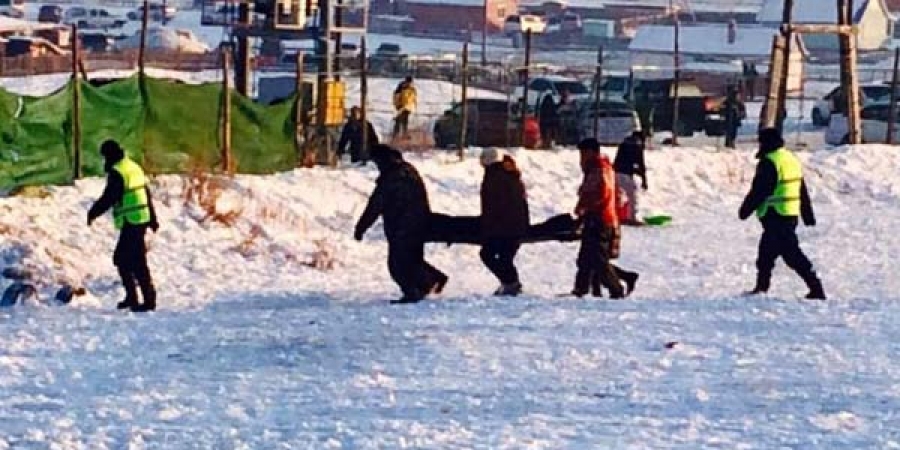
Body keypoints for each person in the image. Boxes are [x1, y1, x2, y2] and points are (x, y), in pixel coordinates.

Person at [739, 128, 826, 300]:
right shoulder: (789, 159)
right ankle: (761, 288)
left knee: (792, 255)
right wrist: (807, 214)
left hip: (775, 215)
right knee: (767, 253)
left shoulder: (770, 162)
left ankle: (816, 289)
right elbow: (801, 188)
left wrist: (745, 210)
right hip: (789, 213)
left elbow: (760, 190)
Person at [354, 144, 448, 303]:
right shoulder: (408, 170)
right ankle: (431, 281)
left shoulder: (391, 177)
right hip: (419, 222)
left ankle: (416, 289)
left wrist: (361, 227)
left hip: (401, 227)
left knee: (397, 264)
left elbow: (376, 205)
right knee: (412, 259)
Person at [87, 140, 159, 312]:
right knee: (128, 260)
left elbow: (110, 197)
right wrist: (152, 217)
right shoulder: (133, 167)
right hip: (140, 218)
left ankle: (147, 300)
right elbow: (145, 193)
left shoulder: (118, 172)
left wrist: (93, 212)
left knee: (129, 260)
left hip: (131, 220)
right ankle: (135, 297)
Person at [572, 138, 625, 298]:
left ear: (591, 152)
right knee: (585, 257)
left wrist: (583, 206)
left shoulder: (598, 169)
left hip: (599, 218)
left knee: (598, 259)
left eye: (583, 153)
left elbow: (599, 193)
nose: (581, 157)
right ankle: (581, 288)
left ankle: (616, 288)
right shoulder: (603, 167)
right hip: (602, 217)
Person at [479, 148, 529, 296]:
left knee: (488, 254)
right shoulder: (508, 174)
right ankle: (510, 283)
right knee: (505, 257)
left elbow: (493, 205)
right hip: (516, 224)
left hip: (504, 227)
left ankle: (511, 283)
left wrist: (488, 227)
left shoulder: (494, 177)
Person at [613, 131, 648, 225]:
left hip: (614, 173)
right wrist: (644, 181)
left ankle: (614, 216)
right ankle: (631, 218)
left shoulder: (624, 144)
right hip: (625, 174)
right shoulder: (637, 145)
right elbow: (641, 164)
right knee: (632, 194)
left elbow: (621, 161)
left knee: (616, 195)